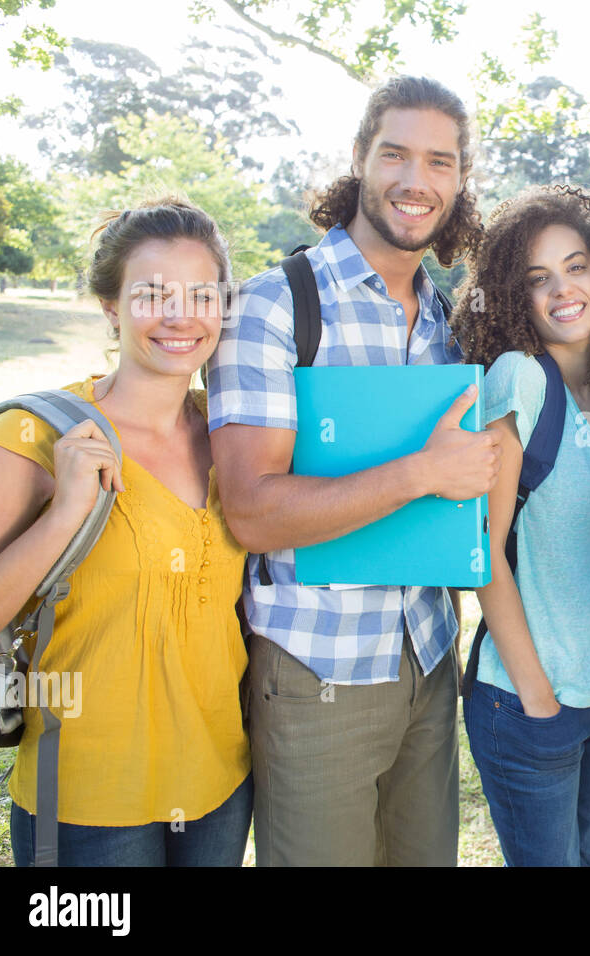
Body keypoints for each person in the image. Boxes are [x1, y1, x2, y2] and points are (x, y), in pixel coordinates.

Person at [207, 75, 500, 867]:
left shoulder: (445, 320)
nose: (416, 181)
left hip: (428, 655)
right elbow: (253, 513)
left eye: (440, 162)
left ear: (459, 180)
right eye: (395, 154)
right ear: (360, 161)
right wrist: (424, 472)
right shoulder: (276, 305)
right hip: (316, 669)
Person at [0, 199, 251, 866]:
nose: (179, 315)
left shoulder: (233, 436)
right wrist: (65, 516)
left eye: (200, 294)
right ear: (111, 306)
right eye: (151, 293)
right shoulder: (34, 435)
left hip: (220, 785)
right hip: (86, 802)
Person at [450, 184, 590, 866]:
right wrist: (538, 692)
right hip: (529, 704)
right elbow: (482, 550)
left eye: (577, 266)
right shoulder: (519, 382)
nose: (563, 289)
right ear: (515, 295)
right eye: (539, 278)